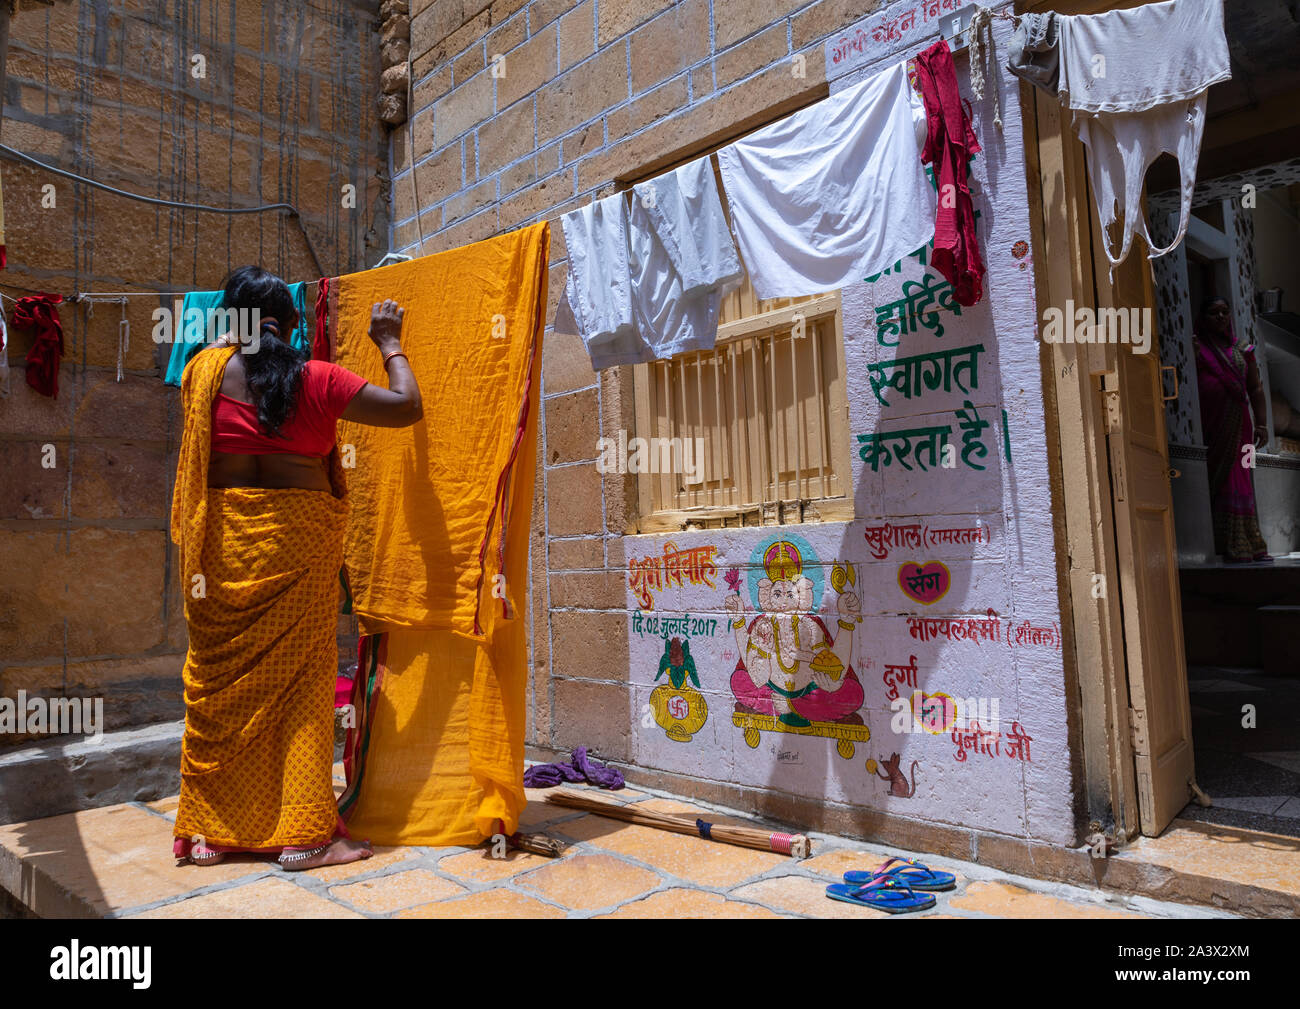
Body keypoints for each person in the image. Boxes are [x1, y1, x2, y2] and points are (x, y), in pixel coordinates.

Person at [169, 266, 422, 870]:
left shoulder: (202, 372)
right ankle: (305, 836)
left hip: (225, 550)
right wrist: (389, 343)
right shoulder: (319, 379)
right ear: (289, 324)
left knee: (217, 689)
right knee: (303, 688)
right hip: (299, 544)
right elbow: (407, 406)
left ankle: (210, 835)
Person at [1192, 295, 1272, 563]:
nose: (1220, 317)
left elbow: (1256, 388)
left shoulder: (1243, 349)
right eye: (1214, 313)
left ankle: (1248, 540)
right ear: (1204, 317)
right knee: (1221, 478)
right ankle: (1223, 541)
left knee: (1244, 475)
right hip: (1213, 426)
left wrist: (1262, 423)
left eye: (1225, 312)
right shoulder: (1197, 347)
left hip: (1244, 426)